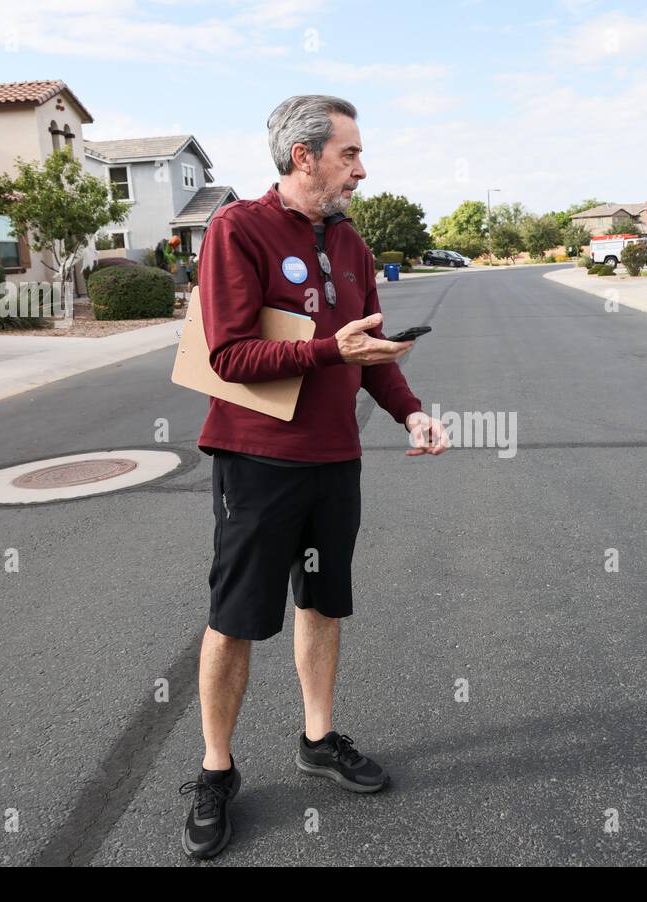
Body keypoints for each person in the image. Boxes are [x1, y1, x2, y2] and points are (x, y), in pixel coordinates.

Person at [180, 95, 450, 859]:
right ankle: (216, 768)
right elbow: (229, 354)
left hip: (335, 460)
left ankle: (318, 737)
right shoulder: (237, 230)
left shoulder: (352, 242)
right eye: (350, 154)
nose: (361, 169)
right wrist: (332, 350)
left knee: (324, 603)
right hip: (257, 461)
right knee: (235, 619)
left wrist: (411, 412)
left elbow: (370, 349)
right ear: (305, 156)